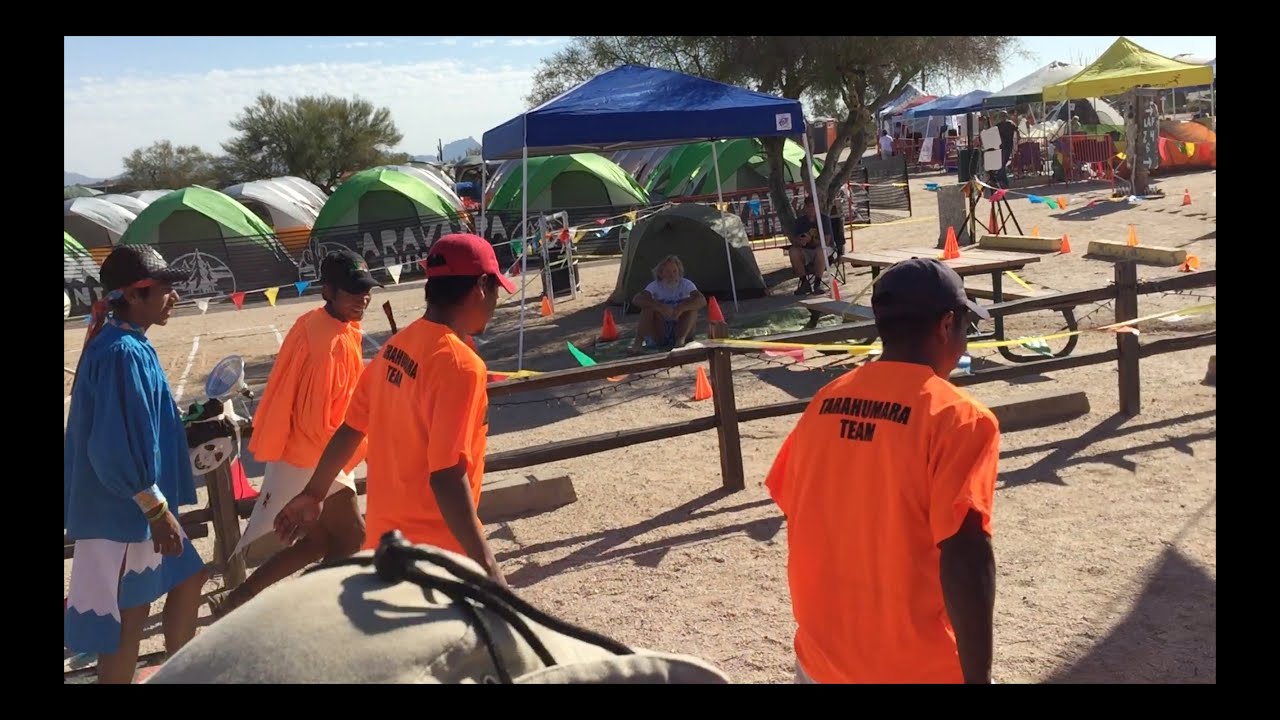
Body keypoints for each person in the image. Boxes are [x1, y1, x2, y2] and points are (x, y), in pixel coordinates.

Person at [764, 257, 1000, 684]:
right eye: (967, 326)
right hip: (915, 669)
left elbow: (795, 502)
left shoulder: (826, 400)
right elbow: (965, 554)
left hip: (823, 660)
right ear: (947, 324)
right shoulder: (959, 418)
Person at [273, 233, 516, 586]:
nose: (495, 303)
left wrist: (314, 492)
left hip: (385, 547)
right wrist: (489, 568)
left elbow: (351, 427)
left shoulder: (396, 347)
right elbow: (447, 476)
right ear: (481, 286)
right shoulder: (461, 366)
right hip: (438, 557)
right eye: (495, 290)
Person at [207, 249, 380, 619]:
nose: (362, 298)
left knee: (316, 543)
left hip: (312, 450)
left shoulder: (336, 326)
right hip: (314, 452)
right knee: (353, 537)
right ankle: (310, 614)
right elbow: (318, 416)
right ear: (328, 291)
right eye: (353, 291)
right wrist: (326, 477)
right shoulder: (322, 340)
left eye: (366, 290)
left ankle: (238, 600)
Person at [64, 245, 209, 684]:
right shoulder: (120, 351)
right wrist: (155, 509)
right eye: (165, 289)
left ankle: (181, 674)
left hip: (136, 507)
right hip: (125, 511)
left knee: (187, 577)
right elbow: (111, 448)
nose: (174, 298)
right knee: (128, 621)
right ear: (134, 294)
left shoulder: (127, 343)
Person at [629, 254, 706, 352]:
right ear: (661, 273)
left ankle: (680, 341)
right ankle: (638, 343)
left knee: (692, 308)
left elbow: (701, 300)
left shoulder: (686, 284)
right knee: (647, 309)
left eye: (674, 271)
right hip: (661, 329)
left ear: (679, 272)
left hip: (680, 327)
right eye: (668, 271)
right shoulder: (655, 286)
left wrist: (681, 308)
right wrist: (660, 307)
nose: (672, 275)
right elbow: (637, 299)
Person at [787, 196, 834, 296]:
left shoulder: (824, 220)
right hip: (806, 250)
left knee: (821, 250)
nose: (811, 209)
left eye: (813, 206)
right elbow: (795, 239)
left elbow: (826, 241)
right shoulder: (800, 221)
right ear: (805, 208)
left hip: (823, 249)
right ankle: (804, 282)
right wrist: (799, 241)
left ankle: (817, 283)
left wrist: (811, 240)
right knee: (793, 251)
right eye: (808, 206)